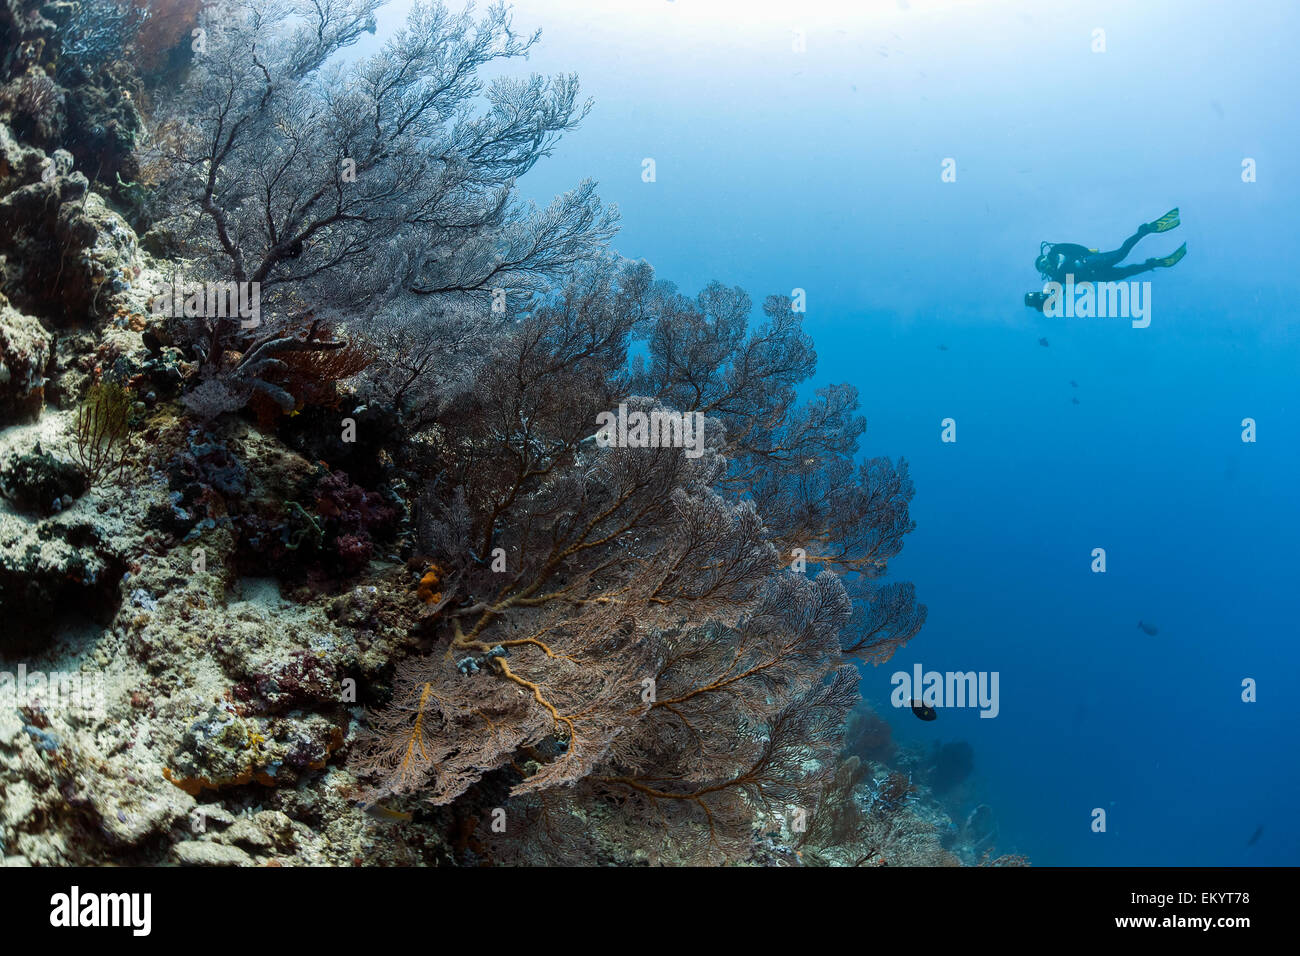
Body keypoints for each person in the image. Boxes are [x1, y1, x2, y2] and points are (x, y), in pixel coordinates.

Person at [1025, 208, 1186, 310]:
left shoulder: (1056, 252)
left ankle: (1144, 230)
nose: (1045, 266)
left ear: (1047, 258)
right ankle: (1153, 263)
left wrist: (1088, 253)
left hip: (1089, 261)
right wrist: (1042, 302)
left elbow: (1073, 247)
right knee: (1125, 273)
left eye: (1044, 262)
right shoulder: (1056, 279)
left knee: (1120, 254)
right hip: (1096, 277)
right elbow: (1056, 298)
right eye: (1042, 268)